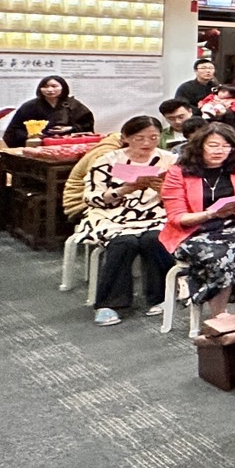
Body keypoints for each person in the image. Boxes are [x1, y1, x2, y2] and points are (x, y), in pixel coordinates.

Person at [79, 116, 174, 325]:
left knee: (155, 239)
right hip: (111, 214)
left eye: (153, 137)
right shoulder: (107, 160)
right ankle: (109, 304)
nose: (147, 143)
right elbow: (91, 198)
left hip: (155, 213)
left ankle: (161, 297)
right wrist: (124, 189)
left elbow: (182, 196)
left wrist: (163, 190)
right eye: (139, 138)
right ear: (126, 138)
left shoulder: (170, 160)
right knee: (124, 242)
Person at [160, 122, 235, 318]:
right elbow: (177, 218)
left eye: (225, 146)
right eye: (213, 145)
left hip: (233, 227)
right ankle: (219, 315)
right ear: (199, 145)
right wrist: (212, 214)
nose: (220, 151)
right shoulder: (178, 172)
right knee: (220, 257)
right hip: (193, 232)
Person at [3, 74, 95, 147]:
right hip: (38, 146)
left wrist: (70, 128)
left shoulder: (74, 104)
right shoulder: (30, 106)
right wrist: (30, 135)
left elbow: (87, 123)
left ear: (63, 87)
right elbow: (13, 130)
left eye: (54, 86)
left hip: (67, 145)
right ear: (40, 89)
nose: (50, 90)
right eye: (45, 87)